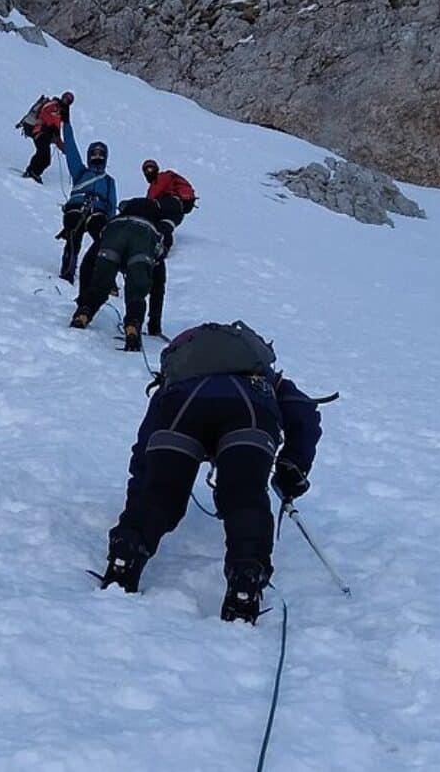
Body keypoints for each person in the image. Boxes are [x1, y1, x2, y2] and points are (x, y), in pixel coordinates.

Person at [97, 321, 323, 624]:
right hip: (250, 408)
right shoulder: (265, 377)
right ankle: (245, 578)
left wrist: (139, 499)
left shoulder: (175, 380)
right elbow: (304, 412)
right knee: (244, 496)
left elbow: (145, 450)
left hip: (182, 405)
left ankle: (127, 551)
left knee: (162, 493)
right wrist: (292, 466)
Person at [69, 196, 164, 349]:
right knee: (136, 292)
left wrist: (83, 300)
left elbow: (87, 264)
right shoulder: (154, 230)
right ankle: (132, 327)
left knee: (100, 285)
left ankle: (83, 314)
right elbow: (158, 285)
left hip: (114, 235)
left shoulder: (115, 222)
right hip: (142, 240)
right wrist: (154, 326)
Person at [57, 117, 116, 283]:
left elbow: (112, 205)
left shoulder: (109, 181)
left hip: (98, 212)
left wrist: (111, 226)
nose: (97, 156)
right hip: (77, 207)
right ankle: (68, 271)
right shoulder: (80, 172)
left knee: (103, 241)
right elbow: (70, 148)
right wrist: (66, 122)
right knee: (73, 235)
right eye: (94, 153)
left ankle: (103, 278)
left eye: (100, 154)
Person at [142, 194, 186, 336]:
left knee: (138, 286)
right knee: (158, 288)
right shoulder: (172, 205)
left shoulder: (152, 204)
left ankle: (134, 322)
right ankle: (154, 326)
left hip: (143, 248)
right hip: (157, 254)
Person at [22, 92, 73, 182]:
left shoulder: (60, 113)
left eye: (68, 100)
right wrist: (51, 126)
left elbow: (56, 132)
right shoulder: (54, 104)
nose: (66, 101)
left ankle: (34, 172)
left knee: (45, 158)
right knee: (43, 153)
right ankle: (31, 172)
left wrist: (63, 148)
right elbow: (44, 114)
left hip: (45, 135)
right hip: (40, 132)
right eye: (66, 98)